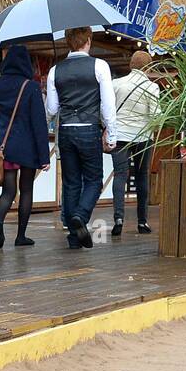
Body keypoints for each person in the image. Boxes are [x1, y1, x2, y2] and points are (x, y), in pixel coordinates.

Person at [45, 26, 118, 249]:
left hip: (66, 130)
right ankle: (80, 215)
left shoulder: (55, 70)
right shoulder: (100, 66)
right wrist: (112, 134)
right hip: (88, 128)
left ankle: (73, 236)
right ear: (88, 40)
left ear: (68, 42)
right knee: (94, 180)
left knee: (71, 181)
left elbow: (52, 108)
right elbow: (107, 105)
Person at [0, 44, 49, 247]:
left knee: (8, 191)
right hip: (27, 147)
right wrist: (44, 156)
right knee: (26, 190)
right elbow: (38, 123)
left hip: (6, 147)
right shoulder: (31, 86)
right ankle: (20, 236)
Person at [110, 50, 160, 235]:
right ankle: (142, 222)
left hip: (120, 136)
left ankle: (118, 218)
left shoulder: (116, 84)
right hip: (142, 137)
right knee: (142, 177)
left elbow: (107, 110)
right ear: (147, 67)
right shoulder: (152, 87)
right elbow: (155, 116)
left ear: (131, 65)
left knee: (120, 175)